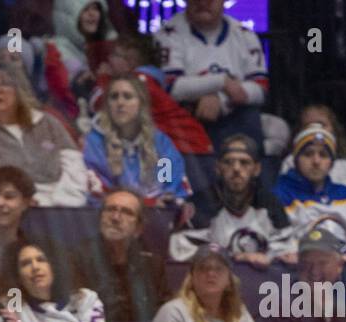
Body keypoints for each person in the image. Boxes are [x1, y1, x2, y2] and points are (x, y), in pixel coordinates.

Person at [0, 64, 95, 207]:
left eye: (5, 84)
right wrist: (8, 200)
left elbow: (74, 168)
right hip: (2, 205)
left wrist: (57, 202)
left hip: (55, 202)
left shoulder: (48, 123)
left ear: (19, 90)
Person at [154, 0, 267, 152]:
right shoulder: (167, 34)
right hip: (186, 115)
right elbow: (171, 88)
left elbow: (260, 88)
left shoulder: (244, 34)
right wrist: (221, 82)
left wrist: (221, 101)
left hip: (235, 114)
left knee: (255, 118)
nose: (203, 3)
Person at [86, 32, 212, 166]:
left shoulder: (138, 83)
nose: (109, 59)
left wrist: (103, 77)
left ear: (130, 62)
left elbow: (100, 103)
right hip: (191, 147)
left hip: (187, 150)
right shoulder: (147, 79)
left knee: (170, 184)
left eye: (115, 55)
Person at [170, 134, 295, 267]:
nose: (236, 168)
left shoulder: (270, 204)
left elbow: (288, 252)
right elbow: (179, 251)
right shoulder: (199, 204)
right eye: (228, 162)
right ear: (218, 168)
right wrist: (233, 258)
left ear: (257, 169)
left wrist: (268, 257)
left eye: (244, 162)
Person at [82, 73, 191, 213]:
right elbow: (96, 194)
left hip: (155, 220)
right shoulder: (94, 143)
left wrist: (166, 199)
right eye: (114, 97)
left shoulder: (160, 143)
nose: (120, 103)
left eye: (127, 96)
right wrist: (116, 173)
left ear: (141, 104)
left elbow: (169, 183)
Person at [273, 124, 346, 263]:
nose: (316, 161)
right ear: (296, 160)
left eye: (323, 155)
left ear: (331, 163)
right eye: (308, 154)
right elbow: (276, 243)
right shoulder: (279, 195)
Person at [0, 238, 109, 322]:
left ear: (55, 265)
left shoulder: (85, 298)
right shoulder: (13, 305)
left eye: (41, 260)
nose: (35, 267)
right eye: (25, 263)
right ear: (17, 275)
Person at [75, 186, 170, 322]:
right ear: (100, 218)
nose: (116, 217)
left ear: (138, 228)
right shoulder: (77, 259)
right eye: (110, 209)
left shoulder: (153, 266)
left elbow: (164, 315)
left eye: (127, 212)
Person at [151, 244, 255, 322]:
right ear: (192, 277)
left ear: (229, 280)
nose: (211, 273)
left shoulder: (240, 314)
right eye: (203, 268)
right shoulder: (174, 312)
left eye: (219, 268)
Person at [42, 0, 117, 120]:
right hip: (73, 118)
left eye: (95, 9)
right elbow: (78, 89)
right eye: (85, 10)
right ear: (69, 16)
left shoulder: (110, 45)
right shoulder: (58, 49)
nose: (92, 14)